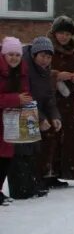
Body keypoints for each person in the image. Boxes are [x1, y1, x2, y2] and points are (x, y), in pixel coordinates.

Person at [10, 37, 61, 199]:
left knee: (34, 149)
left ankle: (31, 184)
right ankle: (21, 189)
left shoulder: (45, 71)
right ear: (34, 55)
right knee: (21, 151)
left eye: (48, 57)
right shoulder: (25, 68)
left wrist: (54, 116)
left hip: (33, 114)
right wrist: (40, 119)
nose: (45, 60)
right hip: (20, 114)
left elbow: (49, 97)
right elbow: (27, 96)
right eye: (42, 56)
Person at [39, 16, 74, 188]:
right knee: (50, 136)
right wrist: (57, 76)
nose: (64, 37)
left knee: (66, 137)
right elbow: (38, 72)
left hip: (68, 102)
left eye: (67, 34)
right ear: (54, 33)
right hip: (49, 100)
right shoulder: (45, 49)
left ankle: (59, 172)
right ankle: (44, 173)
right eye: (61, 33)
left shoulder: (72, 54)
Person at [0, 37, 35, 205]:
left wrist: (27, 101)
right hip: (4, 118)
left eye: (17, 55)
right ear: (4, 55)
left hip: (12, 121)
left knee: (6, 158)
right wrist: (15, 99)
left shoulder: (22, 71)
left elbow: (25, 92)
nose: (14, 58)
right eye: (10, 54)